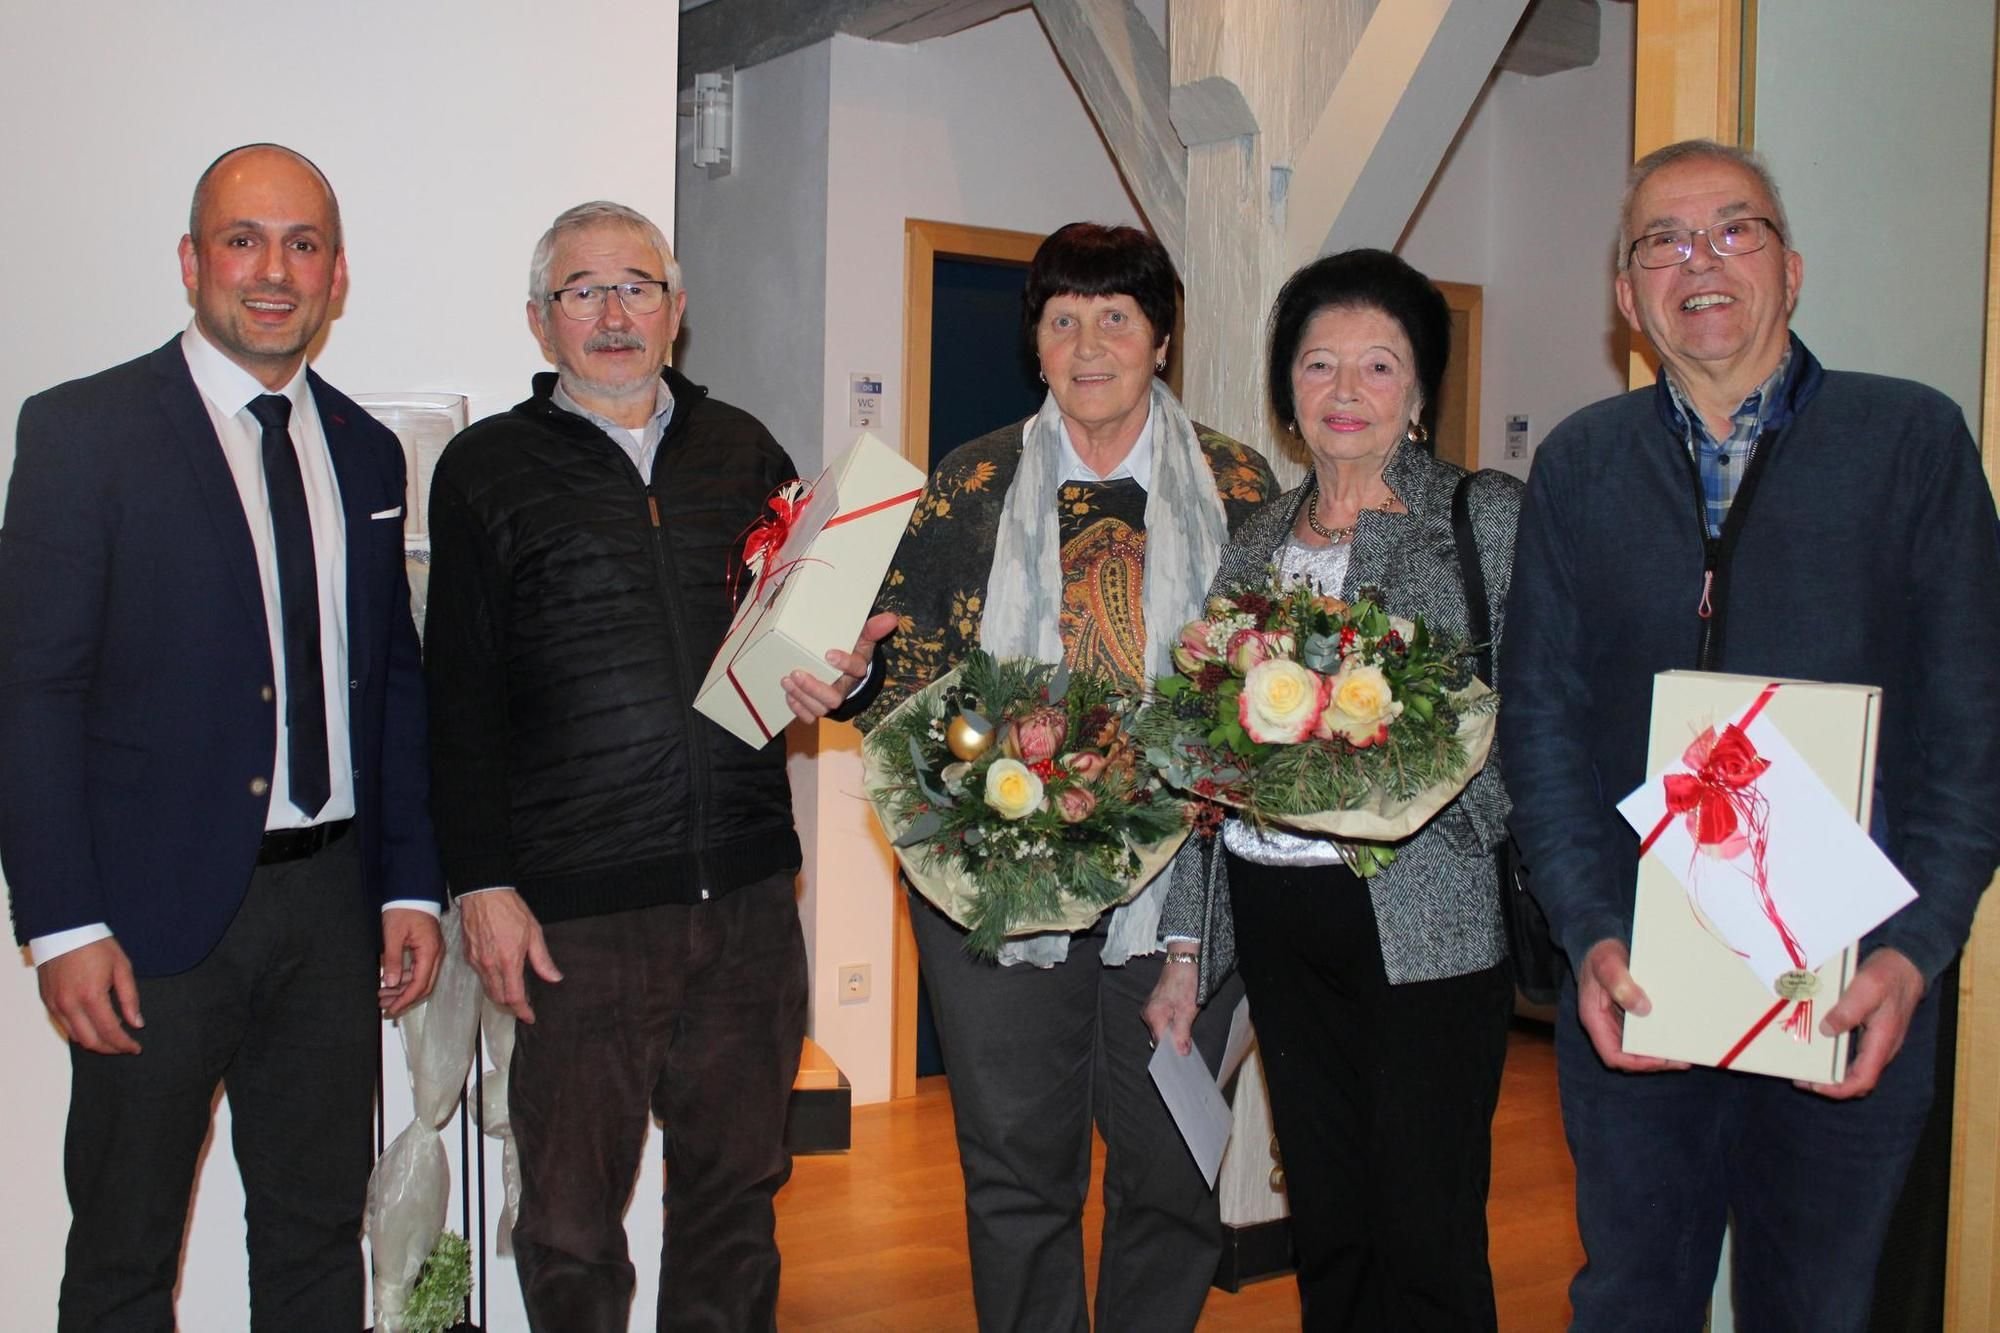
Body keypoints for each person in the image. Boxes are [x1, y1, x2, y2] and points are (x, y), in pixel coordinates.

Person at [1501, 139, 2000, 1330]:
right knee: (1630, 1298)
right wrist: (1588, 933)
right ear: (1626, 297)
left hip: (1845, 976)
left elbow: (1970, 730)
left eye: (1734, 230)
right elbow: (1540, 726)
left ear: (1791, 269)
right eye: (1661, 241)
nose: (1700, 261)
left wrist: (1913, 951)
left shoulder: (1909, 443)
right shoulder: (1579, 464)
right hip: (1637, 980)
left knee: (1815, 1305)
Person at [423, 200, 891, 1331]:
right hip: (577, 916)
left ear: (677, 309)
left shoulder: (746, 450)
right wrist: (481, 883)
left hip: (745, 899)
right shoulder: (486, 468)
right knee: (571, 1220)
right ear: (539, 321)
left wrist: (853, 677)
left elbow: (813, 630)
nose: (613, 313)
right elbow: (456, 696)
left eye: (636, 287)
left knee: (736, 1197)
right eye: (582, 290)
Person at [0, 143, 445, 1330]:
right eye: (243, 240)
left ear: (336, 274)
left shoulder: (365, 451)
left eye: (303, 245)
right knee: (123, 1253)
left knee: (316, 1244)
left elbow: (392, 682)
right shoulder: (84, 431)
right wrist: (62, 923)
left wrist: (411, 883)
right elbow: (32, 691)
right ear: (192, 261)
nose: (273, 270)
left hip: (331, 913)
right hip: (147, 922)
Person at [860, 221, 1275, 1331]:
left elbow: (1268, 683)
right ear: (1034, 342)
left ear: (1162, 337)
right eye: (1063, 320)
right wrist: (848, 675)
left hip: (1184, 889)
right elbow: (901, 676)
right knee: (1015, 1173)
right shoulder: (973, 481)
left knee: (1172, 1170)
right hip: (996, 876)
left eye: (1117, 318)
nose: (1089, 346)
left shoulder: (1239, 484)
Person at [1146, 249, 1522, 1330]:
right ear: (1287, 390)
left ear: (1418, 390)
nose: (1345, 391)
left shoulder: (1479, 515)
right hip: (1277, 912)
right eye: (1318, 364)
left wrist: (1453, 816)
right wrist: (1186, 949)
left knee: (1425, 1225)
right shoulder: (1257, 538)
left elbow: (1541, 709)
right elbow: (1210, 760)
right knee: (1329, 1214)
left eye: (1376, 365)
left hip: (1425, 918)